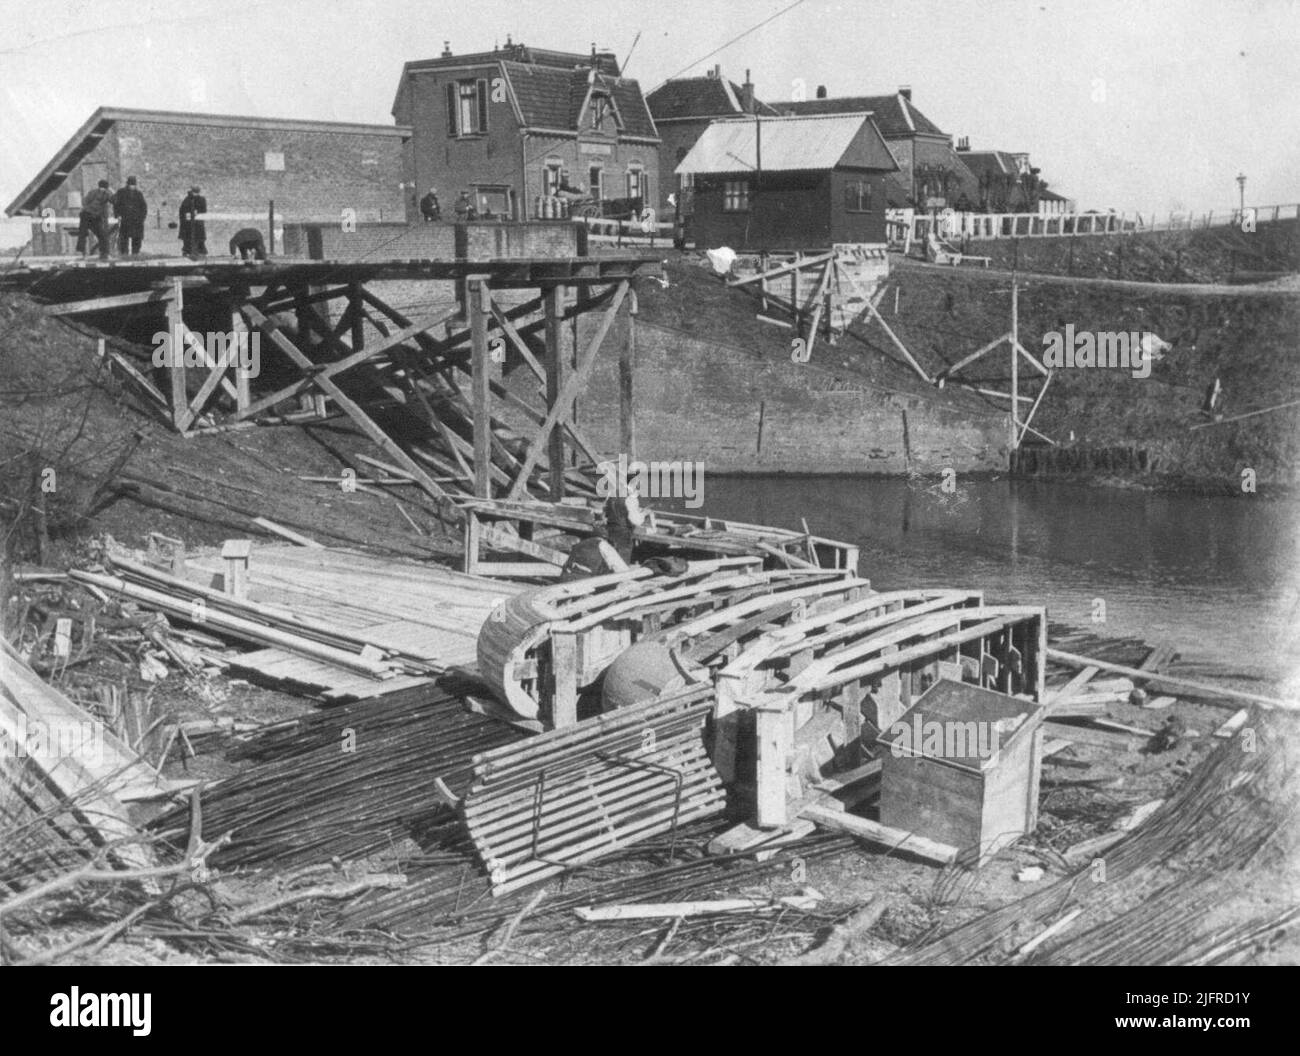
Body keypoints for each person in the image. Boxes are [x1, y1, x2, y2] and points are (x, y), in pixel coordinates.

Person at [559, 494, 645, 581]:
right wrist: (643, 514)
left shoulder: (612, 495)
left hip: (611, 531)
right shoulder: (631, 499)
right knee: (620, 561)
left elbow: (604, 511)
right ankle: (622, 581)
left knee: (607, 558)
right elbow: (636, 520)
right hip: (624, 534)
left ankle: (611, 580)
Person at [77, 179, 114, 261]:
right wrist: (112, 191)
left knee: (82, 233)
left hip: (86, 215)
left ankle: (81, 253)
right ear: (106, 187)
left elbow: (84, 201)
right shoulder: (106, 194)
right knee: (102, 235)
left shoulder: (92, 192)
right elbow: (113, 200)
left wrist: (88, 208)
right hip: (93, 217)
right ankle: (104, 253)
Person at [113, 176, 147, 255]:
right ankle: (124, 253)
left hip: (136, 219)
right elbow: (116, 204)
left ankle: (135, 252)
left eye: (134, 185)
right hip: (125, 218)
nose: (132, 186)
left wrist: (142, 217)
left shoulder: (139, 194)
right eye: (131, 185)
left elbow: (143, 206)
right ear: (127, 184)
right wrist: (117, 215)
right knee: (124, 237)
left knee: (137, 237)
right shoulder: (121, 192)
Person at [178, 186, 207, 256]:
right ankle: (198, 251)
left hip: (190, 223)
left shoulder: (187, 199)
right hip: (193, 223)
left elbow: (182, 211)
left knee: (191, 238)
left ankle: (190, 251)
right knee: (196, 238)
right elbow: (204, 211)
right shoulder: (200, 199)